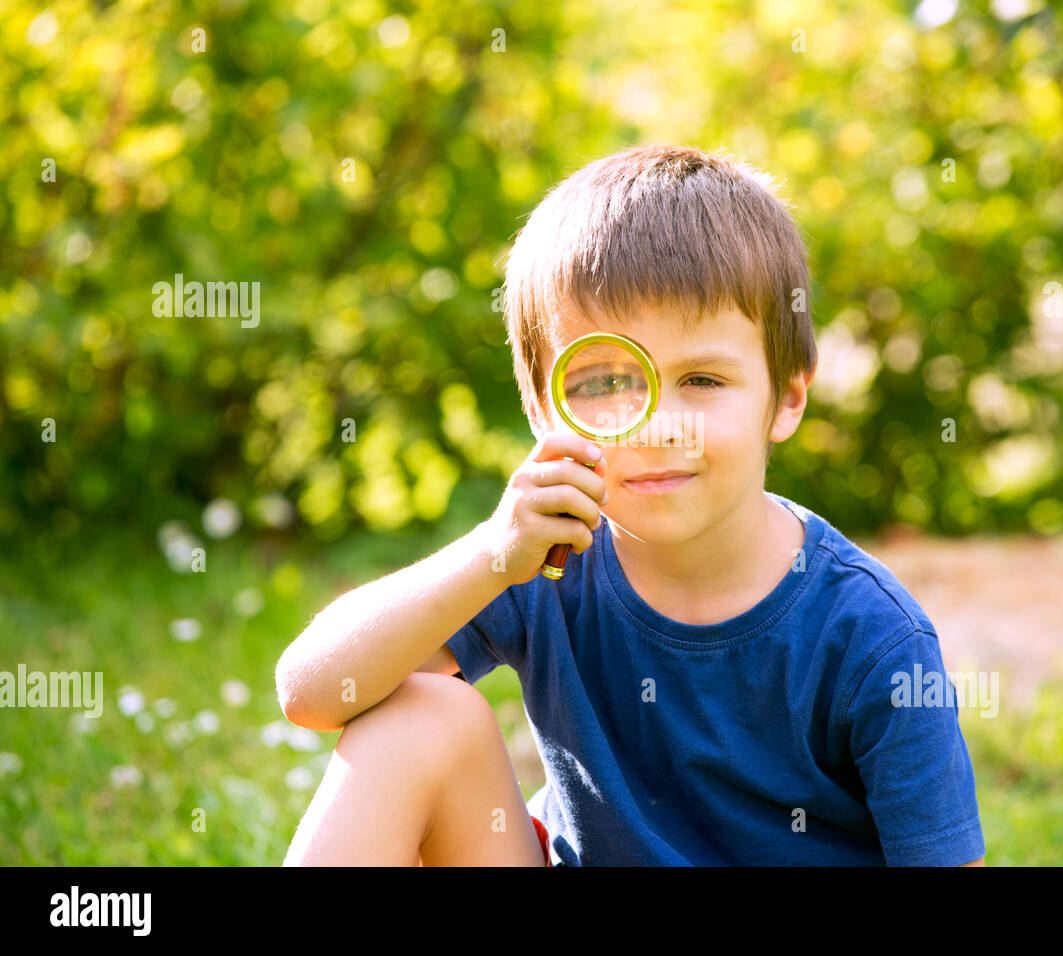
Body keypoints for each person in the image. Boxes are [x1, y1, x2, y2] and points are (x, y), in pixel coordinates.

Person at [276, 144, 986, 867]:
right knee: (421, 713)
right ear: (538, 405)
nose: (654, 424)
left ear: (788, 397)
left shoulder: (869, 636)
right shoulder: (543, 566)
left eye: (703, 380)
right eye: (603, 382)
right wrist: (492, 555)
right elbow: (311, 691)